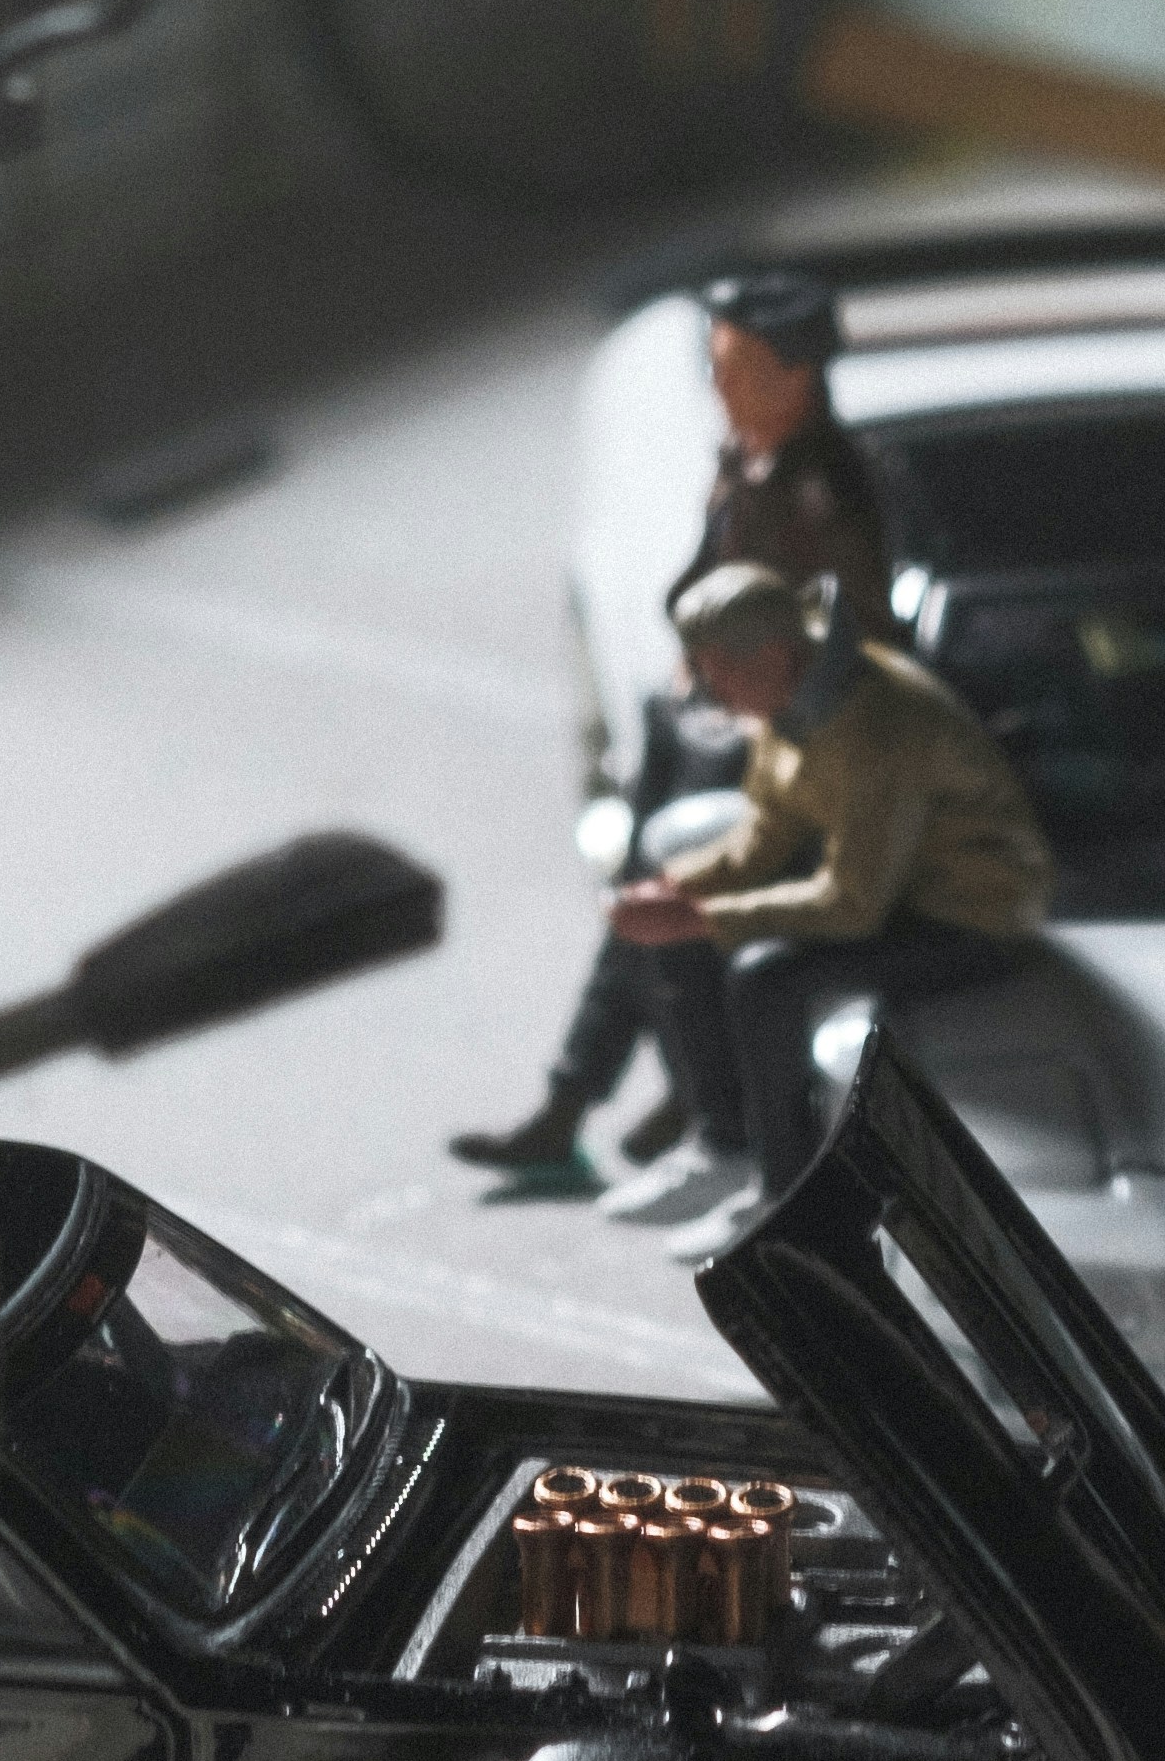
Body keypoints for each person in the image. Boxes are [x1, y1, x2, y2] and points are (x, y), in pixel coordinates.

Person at [447, 272, 899, 1198]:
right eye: (714, 366)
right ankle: (626, 1100)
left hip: (766, 757)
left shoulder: (825, 503)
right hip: (699, 725)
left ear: (797, 378)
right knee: (639, 891)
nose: (719, 387)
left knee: (658, 896)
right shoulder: (745, 464)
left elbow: (850, 651)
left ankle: (619, 1104)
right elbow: (691, 586)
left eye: (736, 368)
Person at [589, 557, 1055, 1218]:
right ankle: (727, 1144)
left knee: (766, 977)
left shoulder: (877, 725)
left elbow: (853, 904)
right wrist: (672, 888)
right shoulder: (791, 705)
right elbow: (764, 835)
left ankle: (790, 1196)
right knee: (687, 946)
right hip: (897, 892)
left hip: (972, 911)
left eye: (719, 671)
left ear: (775, 653)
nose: (709, 694)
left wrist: (701, 917)